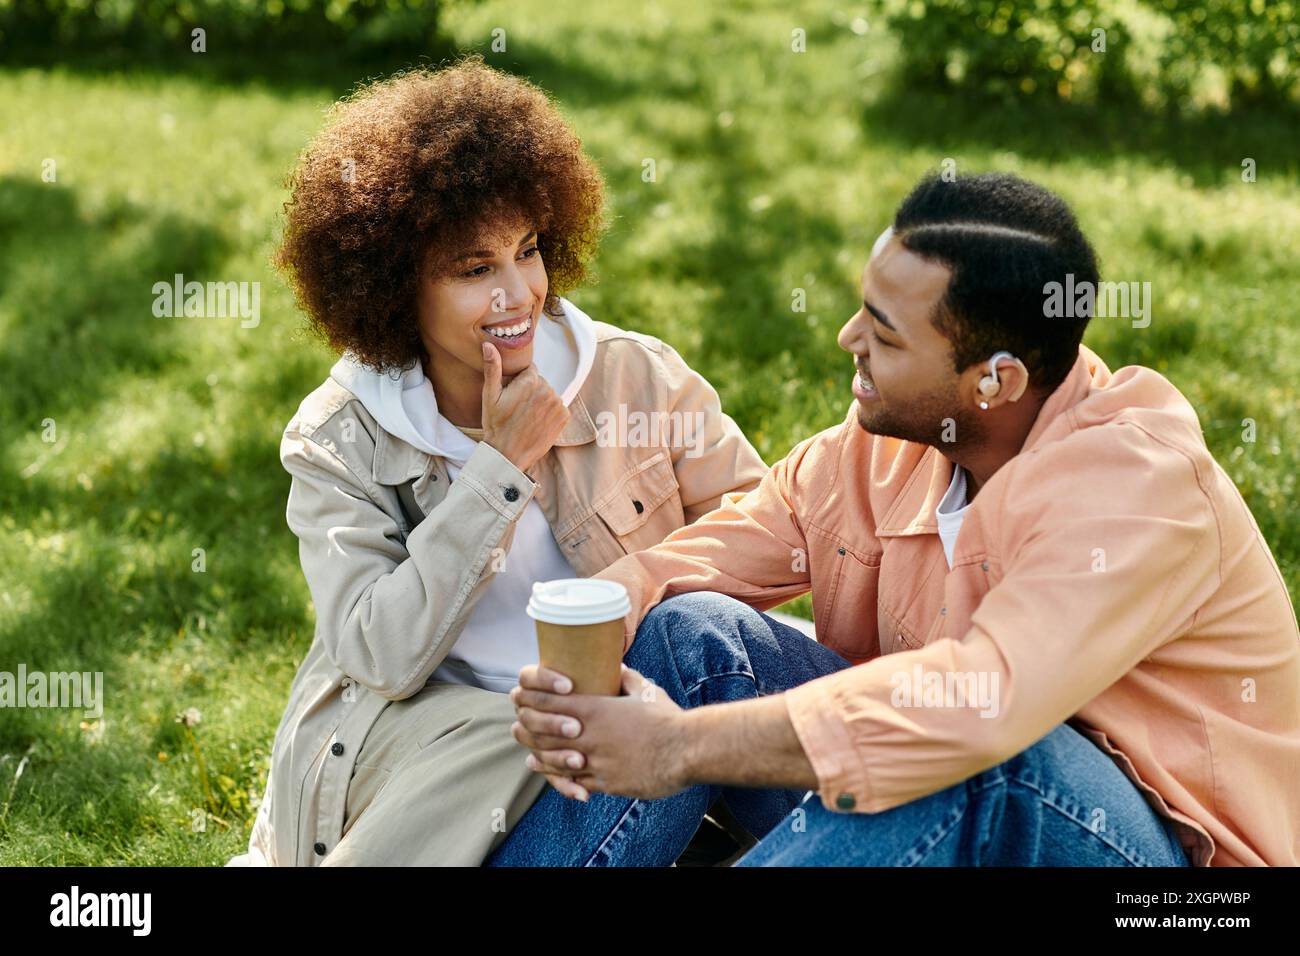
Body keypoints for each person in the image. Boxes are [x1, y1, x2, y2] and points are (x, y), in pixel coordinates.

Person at [500, 171, 1300, 867]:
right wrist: (588, 640)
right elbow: (710, 553)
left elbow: (975, 707)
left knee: (974, 764)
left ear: (995, 381)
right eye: (862, 309)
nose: (848, 338)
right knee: (697, 633)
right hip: (945, 808)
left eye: (883, 333)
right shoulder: (891, 446)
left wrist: (675, 749)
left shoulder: (1135, 486)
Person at [228, 57, 770, 866]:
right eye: (475, 269)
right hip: (447, 782)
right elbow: (377, 653)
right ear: (392, 288)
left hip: (619, 739)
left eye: (526, 251)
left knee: (683, 656)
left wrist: (642, 597)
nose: (516, 293)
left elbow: (767, 530)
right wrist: (499, 468)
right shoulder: (339, 436)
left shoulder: (633, 376)